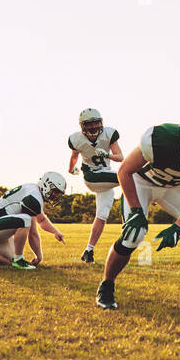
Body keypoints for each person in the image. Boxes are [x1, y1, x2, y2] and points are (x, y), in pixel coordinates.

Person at [95, 109, 180, 312]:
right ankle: (106, 285)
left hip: (173, 187)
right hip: (141, 182)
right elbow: (124, 171)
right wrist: (135, 211)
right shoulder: (160, 139)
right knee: (134, 235)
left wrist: (177, 226)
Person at [0, 172, 67, 269]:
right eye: (55, 191)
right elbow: (32, 234)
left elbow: (41, 220)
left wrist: (55, 232)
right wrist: (39, 256)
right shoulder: (34, 197)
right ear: (46, 185)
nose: (56, 195)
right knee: (26, 220)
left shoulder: (33, 190)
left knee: (9, 261)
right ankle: (19, 259)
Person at [67, 107, 124, 263]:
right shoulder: (76, 139)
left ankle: (88, 251)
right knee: (129, 176)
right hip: (92, 176)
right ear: (82, 126)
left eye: (95, 123)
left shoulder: (109, 133)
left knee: (102, 215)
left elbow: (120, 157)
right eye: (89, 124)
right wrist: (71, 169)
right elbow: (74, 156)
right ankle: (134, 214)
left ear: (101, 122)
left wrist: (107, 155)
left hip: (105, 177)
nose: (93, 127)